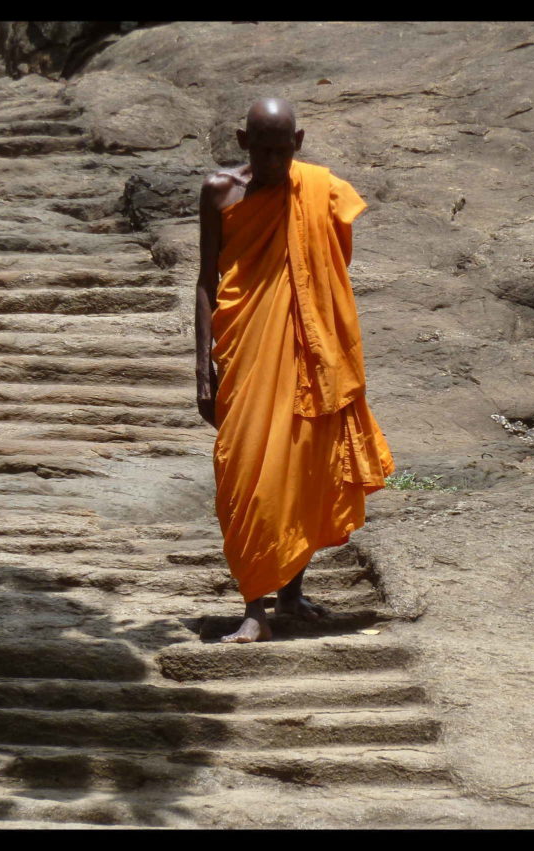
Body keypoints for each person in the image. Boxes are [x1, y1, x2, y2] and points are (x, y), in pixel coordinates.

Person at [194, 97, 395, 643]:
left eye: (283, 150)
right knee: (244, 473)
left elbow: (324, 270)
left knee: (301, 469)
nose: (275, 162)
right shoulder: (219, 192)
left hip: (304, 354)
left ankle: (289, 595)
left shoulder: (317, 188)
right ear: (242, 142)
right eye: (263, 150)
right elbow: (208, 283)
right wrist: (202, 371)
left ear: (299, 143)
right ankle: (252, 606)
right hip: (244, 353)